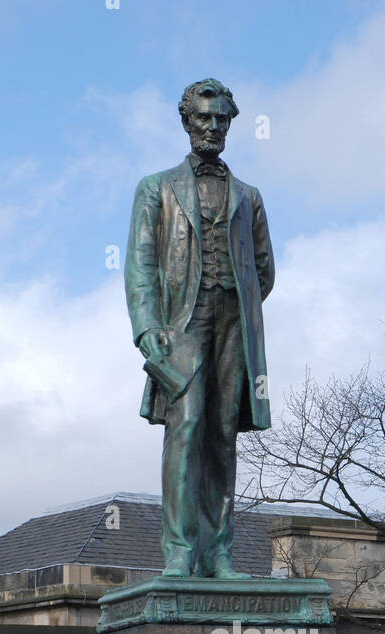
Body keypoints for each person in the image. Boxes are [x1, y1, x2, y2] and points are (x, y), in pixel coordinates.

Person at [124, 77, 274, 579]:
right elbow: (140, 266)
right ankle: (180, 553)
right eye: (202, 118)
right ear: (186, 121)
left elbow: (263, 269)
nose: (211, 127)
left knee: (222, 435)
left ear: (230, 123)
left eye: (221, 119)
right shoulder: (156, 188)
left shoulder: (249, 197)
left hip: (234, 323)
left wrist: (239, 302)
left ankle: (220, 554)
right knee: (185, 429)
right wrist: (149, 331)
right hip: (180, 326)